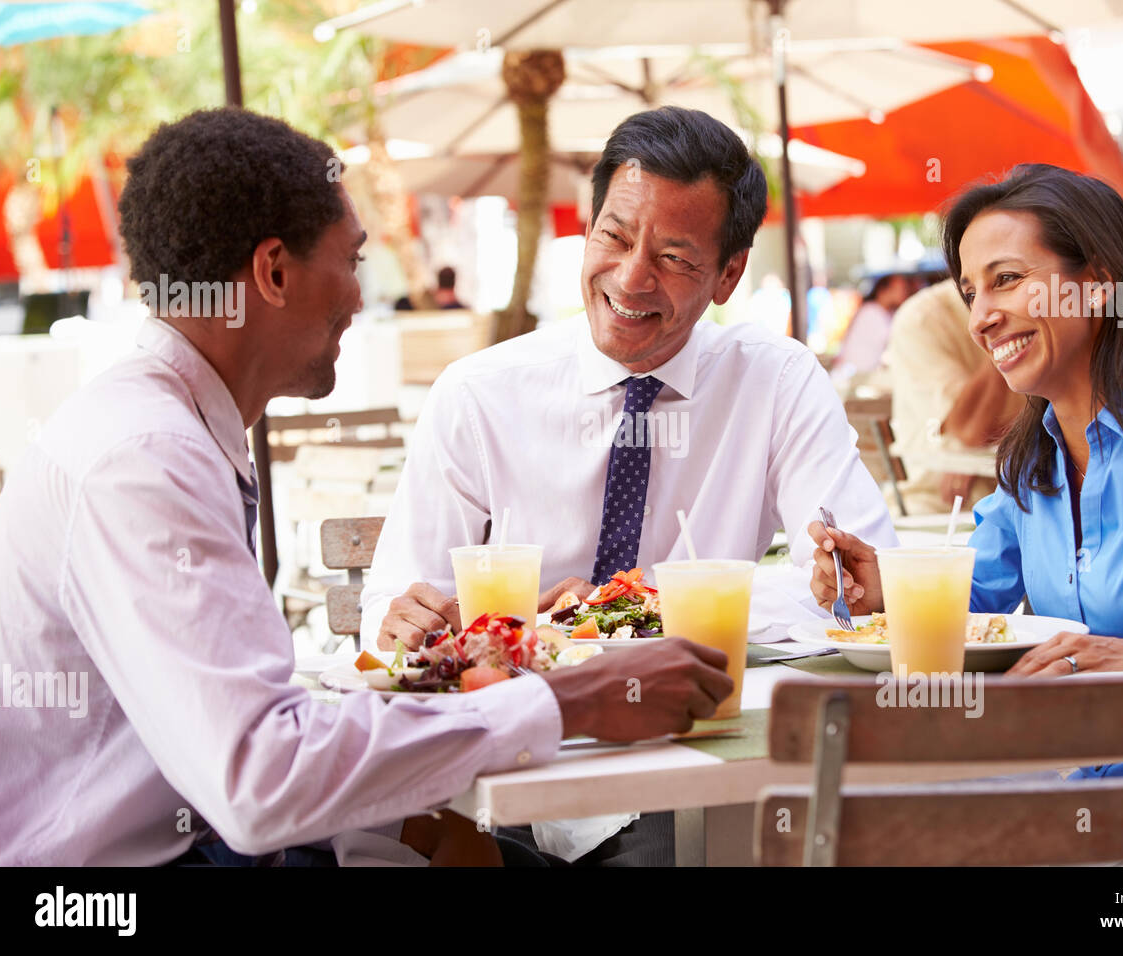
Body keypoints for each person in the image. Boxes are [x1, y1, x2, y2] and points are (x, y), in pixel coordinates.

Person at [0, 108, 734, 866]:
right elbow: (260, 778)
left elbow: (240, 732)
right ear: (275, 272)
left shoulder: (160, 428)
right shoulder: (147, 458)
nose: (358, 298)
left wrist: (429, 777)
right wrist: (575, 698)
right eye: (352, 260)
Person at [362, 106, 898, 864]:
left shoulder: (774, 382)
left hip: (682, 758)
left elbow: (866, 577)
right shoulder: (481, 392)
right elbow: (388, 609)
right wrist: (403, 619)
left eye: (676, 257)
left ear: (729, 274)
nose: (631, 276)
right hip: (510, 752)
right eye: (613, 236)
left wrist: (643, 608)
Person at [807, 165, 1123, 860]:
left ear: (1097, 284)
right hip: (1089, 817)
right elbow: (979, 600)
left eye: (1006, 279)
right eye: (971, 292)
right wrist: (880, 585)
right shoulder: (1035, 463)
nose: (980, 317)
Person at [883, 280, 1022, 513]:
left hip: (1020, 497)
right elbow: (968, 431)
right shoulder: (923, 318)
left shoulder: (1049, 303)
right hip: (936, 504)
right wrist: (1004, 336)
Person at [830, 271, 912, 379]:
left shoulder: (884, 313)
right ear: (883, 290)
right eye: (900, 288)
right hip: (850, 378)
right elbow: (898, 341)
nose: (904, 293)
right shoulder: (871, 311)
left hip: (857, 377)